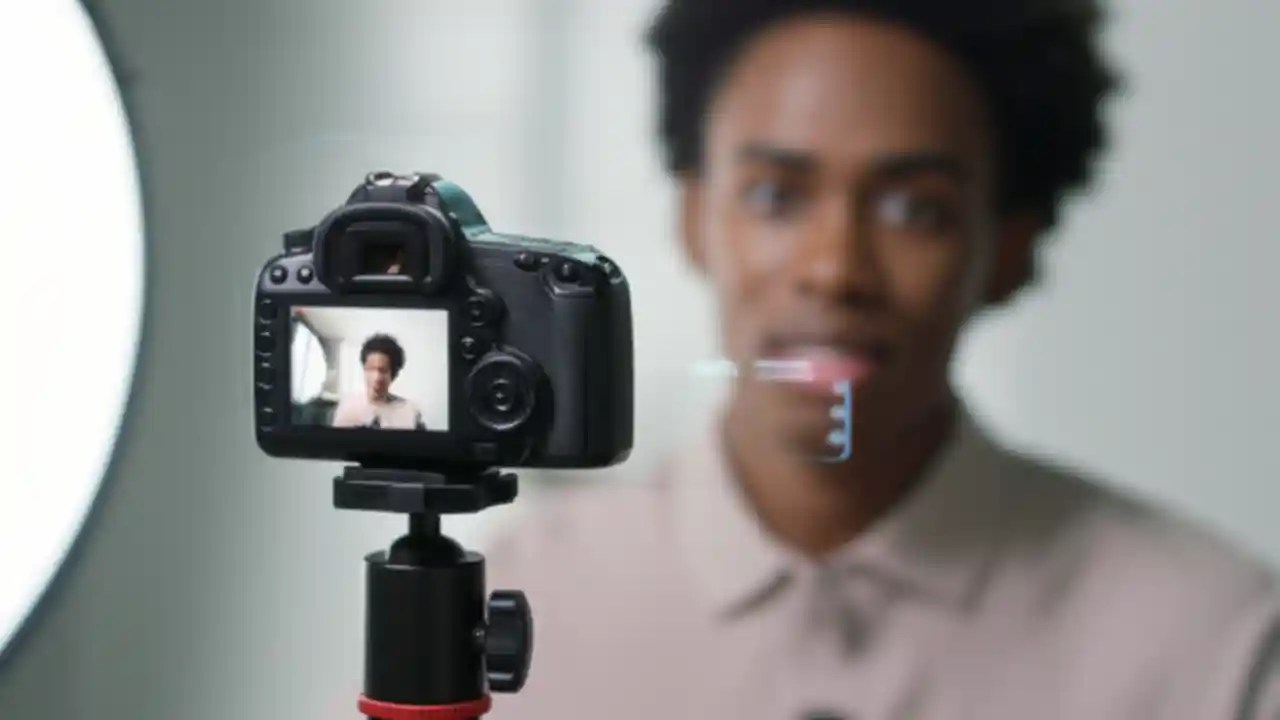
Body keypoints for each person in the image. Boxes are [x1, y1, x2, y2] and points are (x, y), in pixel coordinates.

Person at [484, 1, 1280, 718]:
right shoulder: (514, 599)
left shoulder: (1213, 644)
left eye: (915, 209)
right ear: (696, 219)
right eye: (775, 196)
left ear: (1009, 250)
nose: (835, 268)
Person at [331, 333, 425, 430]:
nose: (376, 378)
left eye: (383, 371)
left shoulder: (409, 412)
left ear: (394, 374)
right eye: (371, 369)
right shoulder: (347, 409)